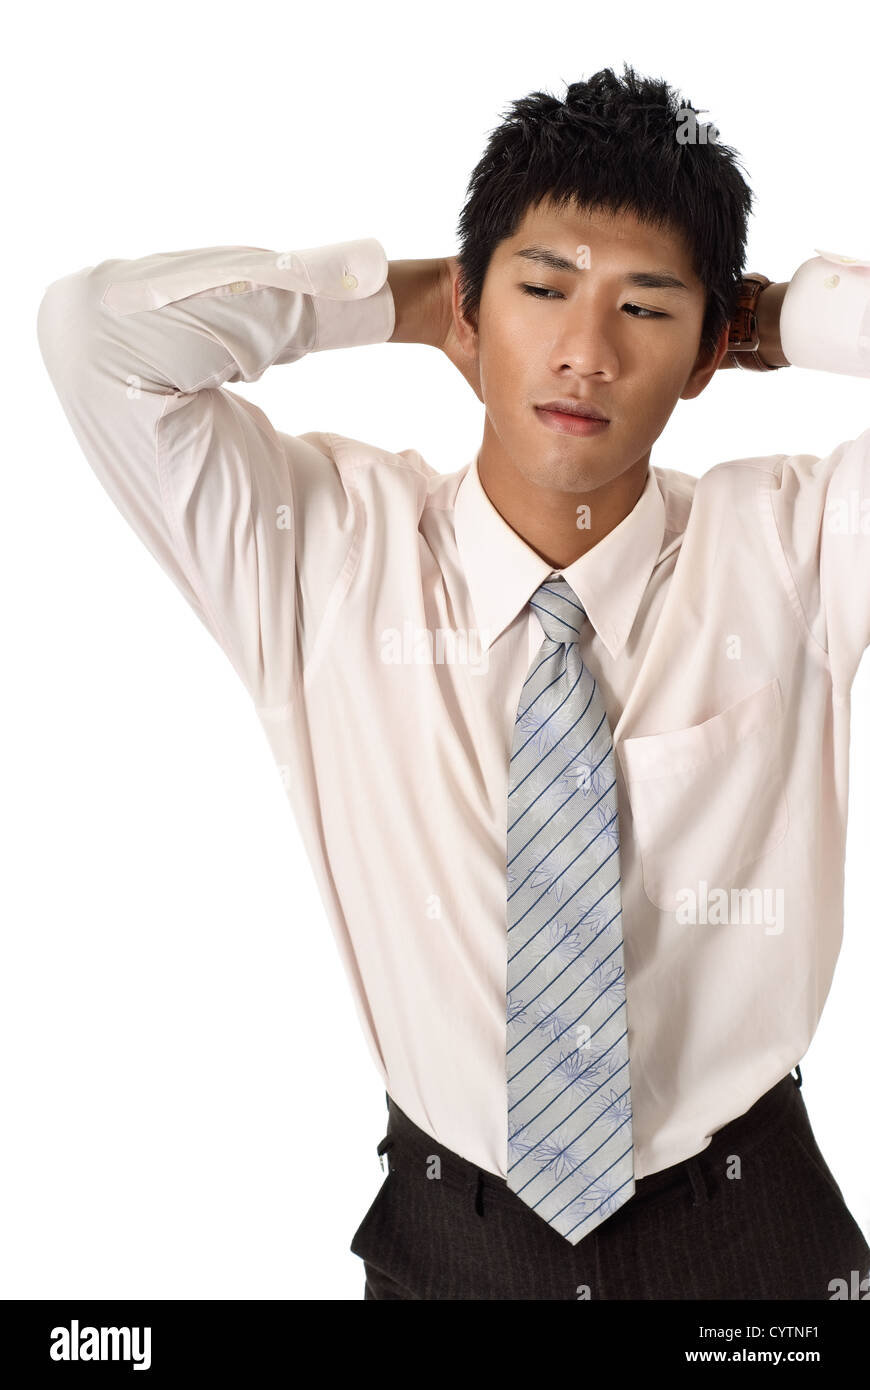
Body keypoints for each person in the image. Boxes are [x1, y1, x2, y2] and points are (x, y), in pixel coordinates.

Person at [37, 63, 870, 1300]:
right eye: (542, 290)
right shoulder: (319, 552)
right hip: (455, 1248)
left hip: (748, 1244)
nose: (584, 352)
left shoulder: (794, 551)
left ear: (703, 353)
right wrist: (409, 298)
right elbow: (92, 335)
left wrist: (777, 320)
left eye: (646, 309)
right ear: (473, 316)